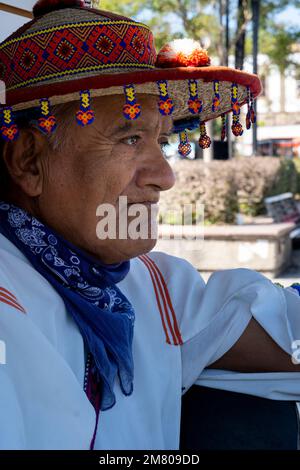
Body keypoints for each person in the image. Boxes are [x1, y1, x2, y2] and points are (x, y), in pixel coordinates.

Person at [0, 0, 299, 450]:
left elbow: (287, 335)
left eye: (161, 141)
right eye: (130, 138)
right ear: (29, 162)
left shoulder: (149, 285)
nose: (165, 176)